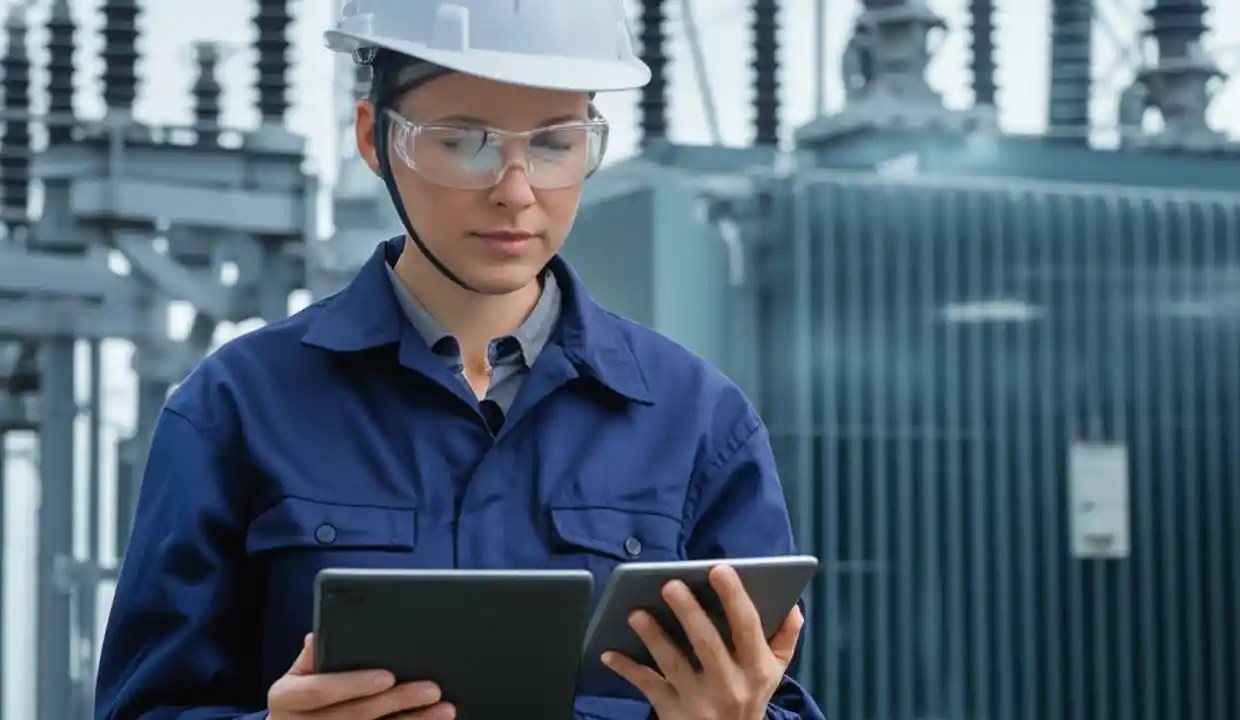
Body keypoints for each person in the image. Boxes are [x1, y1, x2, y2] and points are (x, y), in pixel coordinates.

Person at [94, 1, 825, 718]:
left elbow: (779, 695)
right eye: (464, 140)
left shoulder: (698, 422)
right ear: (375, 138)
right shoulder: (235, 410)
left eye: (553, 143)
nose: (515, 191)